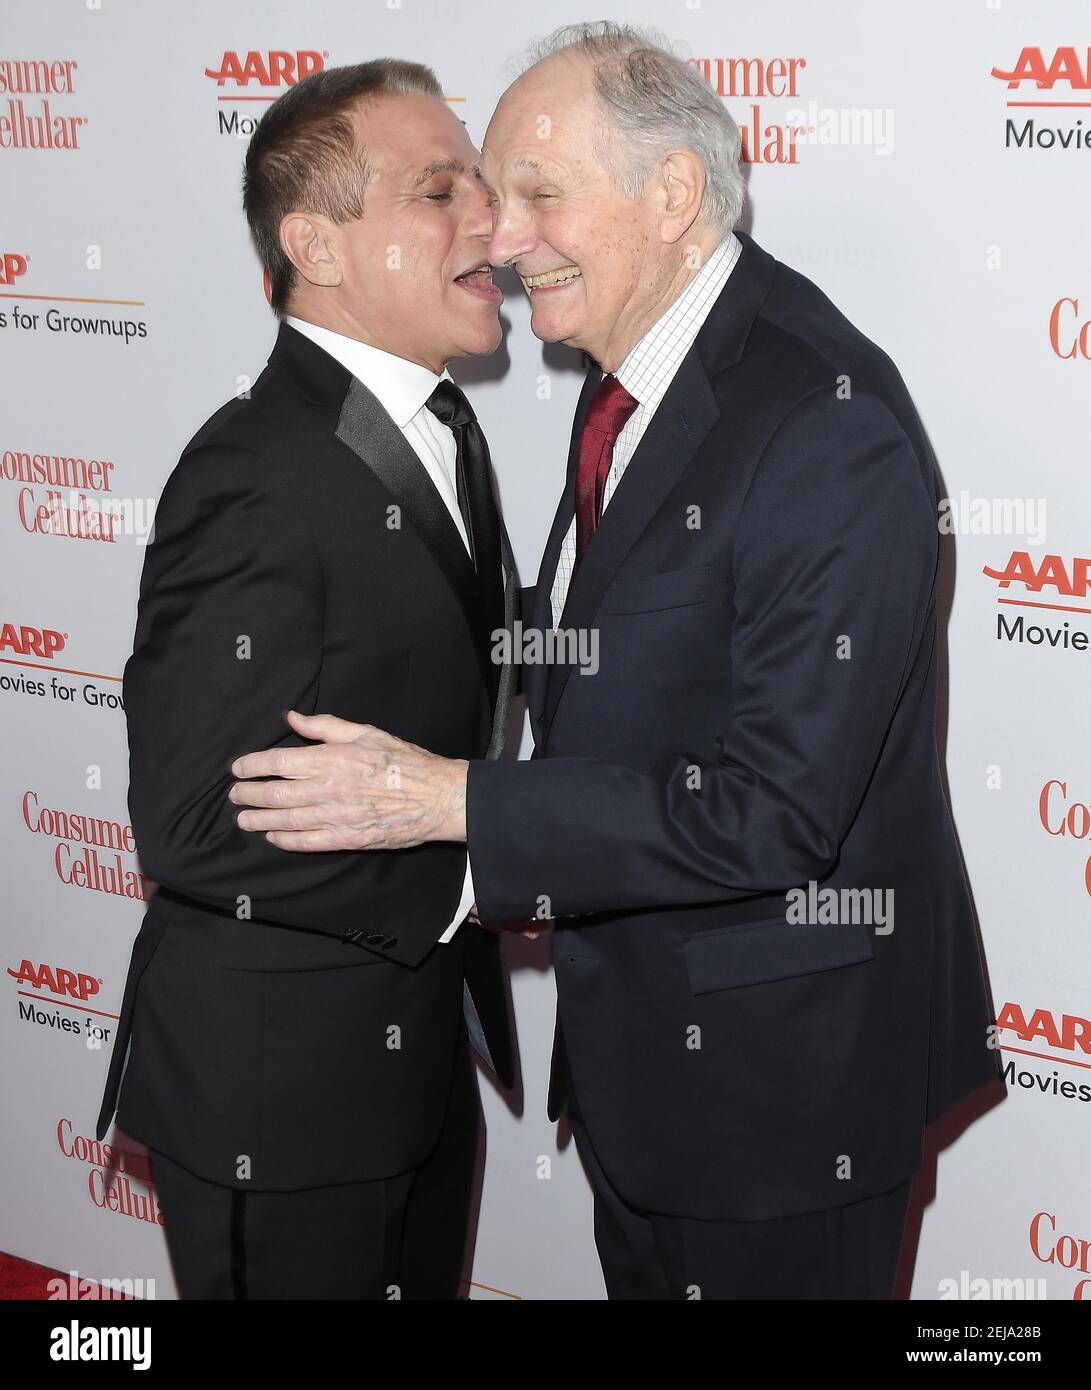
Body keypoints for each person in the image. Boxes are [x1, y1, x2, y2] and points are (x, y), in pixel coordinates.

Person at [230, 23, 1002, 1299]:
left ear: (673, 193)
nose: (499, 237)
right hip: (651, 1078)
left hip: (778, 1104)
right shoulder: (638, 375)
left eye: (539, 195)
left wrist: (449, 800)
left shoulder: (823, 423)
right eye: (492, 195)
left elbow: (772, 812)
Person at [95, 59, 517, 1300]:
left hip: (413, 1063)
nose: (490, 218)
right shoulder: (253, 474)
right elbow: (190, 823)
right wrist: (476, 873)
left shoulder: (445, 429)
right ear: (313, 245)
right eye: (438, 190)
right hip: (278, 1108)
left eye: (481, 183)